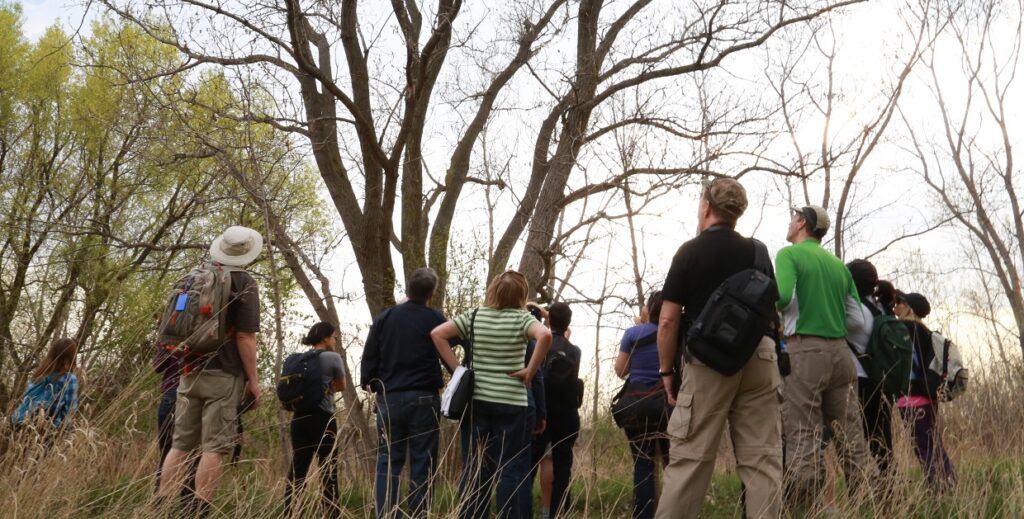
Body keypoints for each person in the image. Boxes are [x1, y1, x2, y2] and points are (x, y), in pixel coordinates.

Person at [654, 178, 782, 518]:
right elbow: (773, 307)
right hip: (761, 356)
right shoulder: (758, 251)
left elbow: (667, 321)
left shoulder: (690, 251)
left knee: (690, 458)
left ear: (706, 207)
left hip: (708, 360)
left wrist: (667, 371)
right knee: (762, 460)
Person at [156, 226, 262, 517]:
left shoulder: (194, 278)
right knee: (214, 447)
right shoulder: (245, 283)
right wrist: (253, 381)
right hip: (224, 375)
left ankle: (161, 507)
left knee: (180, 445)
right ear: (247, 253)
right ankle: (199, 511)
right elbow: (245, 337)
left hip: (189, 371)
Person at [430, 270, 552, 519]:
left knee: (475, 468)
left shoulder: (475, 316)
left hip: (477, 402)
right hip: (512, 404)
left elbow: (437, 334)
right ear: (521, 294)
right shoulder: (523, 318)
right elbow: (546, 335)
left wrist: (458, 370)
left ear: (493, 290)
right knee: (510, 469)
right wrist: (530, 370)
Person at [776, 206, 874, 512]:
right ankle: (865, 505)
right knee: (851, 436)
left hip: (804, 353)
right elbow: (858, 321)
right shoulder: (838, 266)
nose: (790, 222)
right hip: (841, 355)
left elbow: (780, 296)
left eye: (794, 217)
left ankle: (807, 510)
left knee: (803, 433)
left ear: (802, 223)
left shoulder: (788, 256)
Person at [361, 267, 446, 518]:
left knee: (388, 461)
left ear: (408, 288)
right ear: (432, 292)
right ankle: (419, 514)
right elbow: (452, 345)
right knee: (423, 461)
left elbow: (369, 360)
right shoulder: (435, 319)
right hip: (424, 397)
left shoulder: (385, 318)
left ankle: (387, 514)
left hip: (390, 398)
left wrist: (372, 383)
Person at [894, 291, 956, 493]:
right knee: (933, 444)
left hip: (911, 399)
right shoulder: (926, 332)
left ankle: (941, 491)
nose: (895, 307)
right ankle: (948, 485)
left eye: (900, 303)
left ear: (909, 309)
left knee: (924, 448)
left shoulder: (904, 329)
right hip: (928, 398)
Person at [614, 291, 668, 519]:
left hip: (636, 406)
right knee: (672, 463)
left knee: (643, 465)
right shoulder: (673, 332)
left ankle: (644, 515)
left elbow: (620, 370)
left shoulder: (632, 334)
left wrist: (640, 328)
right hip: (667, 405)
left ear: (648, 308)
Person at [285, 321, 346, 517]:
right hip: (323, 419)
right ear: (325, 338)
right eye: (334, 336)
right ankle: (330, 513)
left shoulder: (297, 359)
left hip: (299, 418)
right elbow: (341, 386)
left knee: (298, 466)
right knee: (328, 467)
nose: (335, 340)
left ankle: (291, 512)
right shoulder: (332, 357)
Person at [529, 302, 581, 518]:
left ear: (548, 320)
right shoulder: (574, 351)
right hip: (568, 416)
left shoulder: (539, 345)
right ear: (569, 322)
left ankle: (521, 511)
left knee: (528, 466)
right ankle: (558, 514)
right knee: (562, 470)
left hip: (542, 414)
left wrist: (540, 313)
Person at [845, 260, 895, 479]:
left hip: (860, 381)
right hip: (881, 381)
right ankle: (889, 489)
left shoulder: (855, 312)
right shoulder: (881, 308)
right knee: (881, 440)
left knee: (853, 439)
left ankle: (862, 488)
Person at [11, 337, 80, 432]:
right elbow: (71, 410)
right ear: (72, 357)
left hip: (17, 421)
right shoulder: (69, 378)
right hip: (42, 429)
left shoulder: (39, 374)